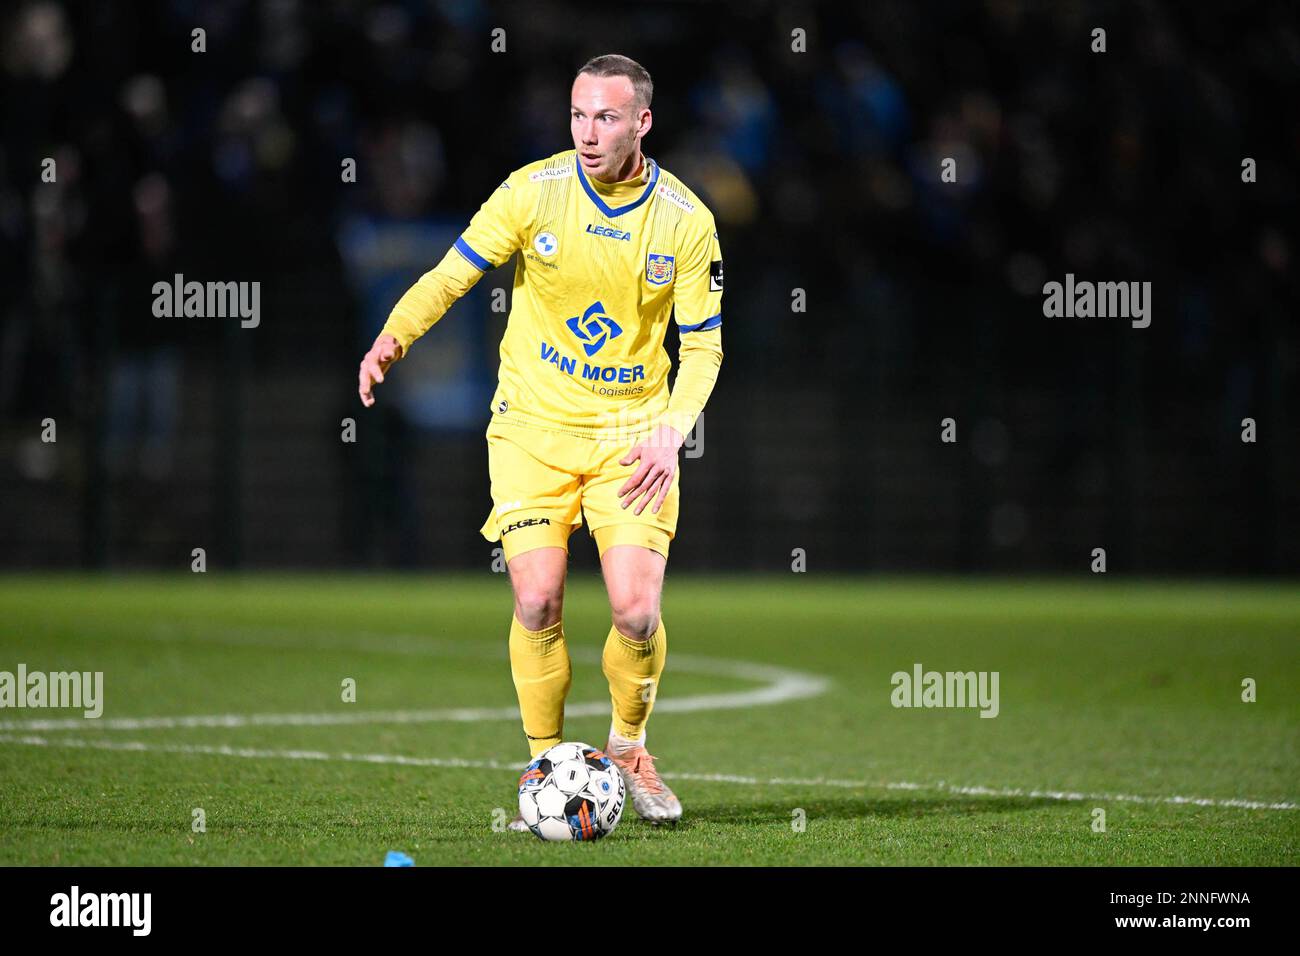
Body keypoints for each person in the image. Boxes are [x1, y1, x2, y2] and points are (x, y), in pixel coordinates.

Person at [357, 54, 723, 826]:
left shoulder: (687, 221)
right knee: (537, 596)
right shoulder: (534, 190)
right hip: (532, 426)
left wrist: (669, 432)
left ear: (641, 123)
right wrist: (395, 335)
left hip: (632, 436)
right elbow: (453, 272)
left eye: (607, 118)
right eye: (578, 115)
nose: (588, 134)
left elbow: (705, 348)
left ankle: (629, 751)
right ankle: (546, 768)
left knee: (634, 612)